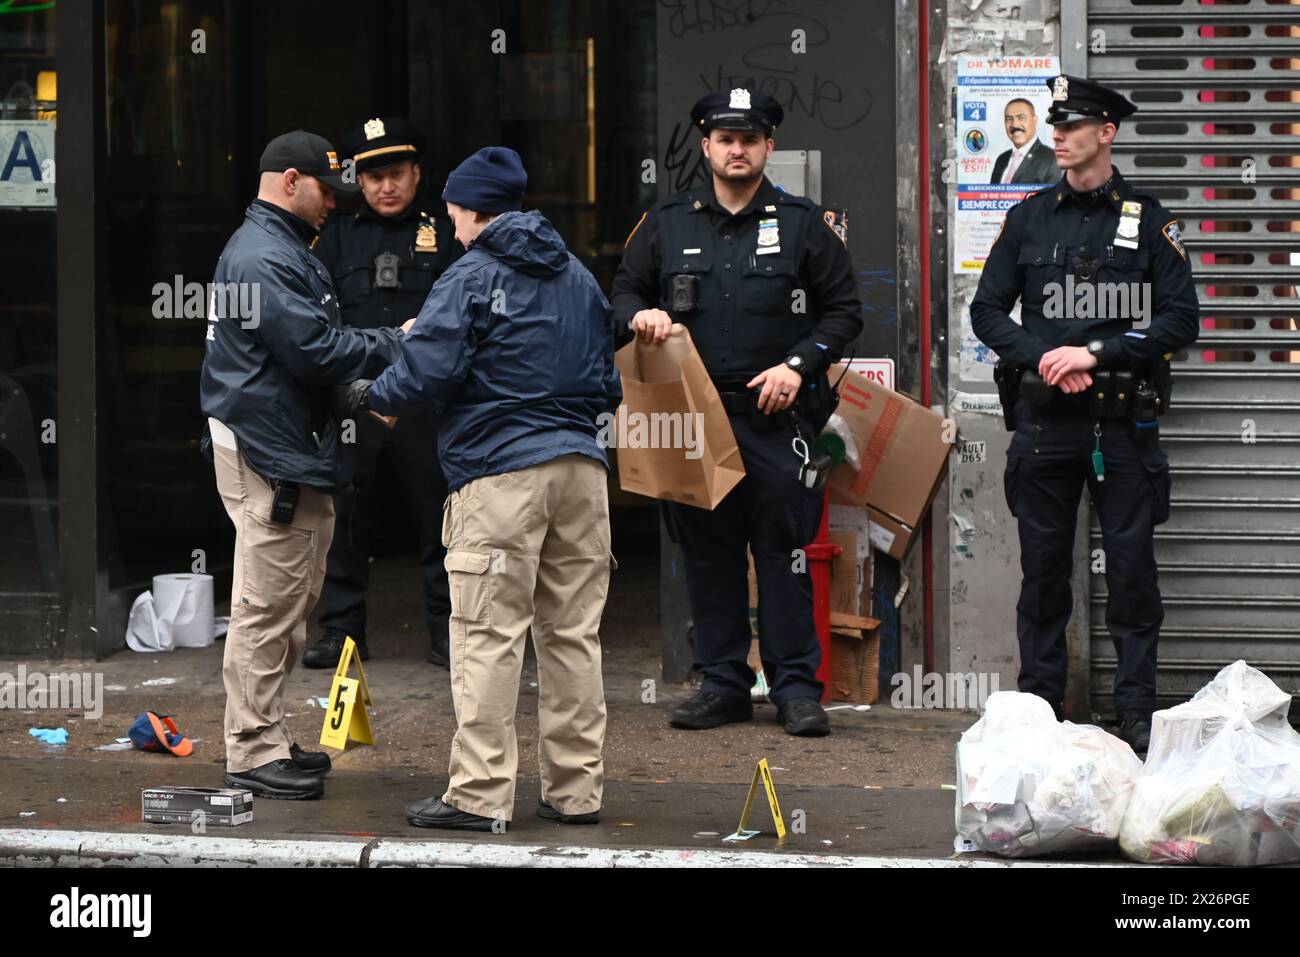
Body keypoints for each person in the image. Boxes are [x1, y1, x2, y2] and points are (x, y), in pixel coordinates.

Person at [345, 147, 621, 831]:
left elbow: (423, 375)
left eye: (454, 208)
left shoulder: (469, 275)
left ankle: (478, 794)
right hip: (583, 476)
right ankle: (575, 792)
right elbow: (609, 383)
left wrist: (368, 391)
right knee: (572, 637)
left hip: (501, 477)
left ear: (471, 209)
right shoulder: (580, 278)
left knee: (488, 637)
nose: (450, 218)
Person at [610, 89, 863, 737]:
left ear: (768, 146)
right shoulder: (668, 221)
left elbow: (844, 312)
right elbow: (623, 289)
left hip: (777, 419)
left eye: (750, 138)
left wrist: (798, 365)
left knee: (784, 552)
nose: (738, 148)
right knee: (708, 554)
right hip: (694, 417)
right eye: (726, 138)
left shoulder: (805, 223)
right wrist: (641, 313)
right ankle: (722, 681)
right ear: (706, 145)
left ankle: (795, 688)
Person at [969, 75, 1200, 755]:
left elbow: (1182, 318)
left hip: (1123, 423)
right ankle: (1040, 710)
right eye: (1056, 126)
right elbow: (986, 308)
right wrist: (1044, 356)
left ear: (1108, 133)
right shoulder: (1029, 216)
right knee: (1043, 571)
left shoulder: (1149, 220)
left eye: (1073, 126)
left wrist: (1091, 353)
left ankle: (1134, 712)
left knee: (1130, 570)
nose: (1060, 137)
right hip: (1046, 424)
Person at [199, 130, 408, 799]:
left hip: (288, 446)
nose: (335, 206)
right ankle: (252, 751)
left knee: (289, 603)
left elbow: (308, 361)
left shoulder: (279, 246)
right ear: (290, 180)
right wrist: (395, 341)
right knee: (266, 606)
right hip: (270, 452)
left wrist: (365, 391)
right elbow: (315, 351)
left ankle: (266, 732)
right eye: (327, 190)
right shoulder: (263, 255)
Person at [306, 117, 460, 671]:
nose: (386, 186)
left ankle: (449, 630)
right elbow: (317, 324)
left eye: (396, 173)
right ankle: (342, 633)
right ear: (358, 181)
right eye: (373, 177)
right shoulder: (336, 237)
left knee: (441, 522)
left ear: (417, 173)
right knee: (345, 524)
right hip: (357, 403)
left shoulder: (447, 232)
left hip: (426, 404)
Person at [990, 98, 1058, 186]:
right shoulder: (1001, 159)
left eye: (1021, 117)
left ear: (1035, 120)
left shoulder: (1052, 159)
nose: (1014, 124)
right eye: (1009, 118)